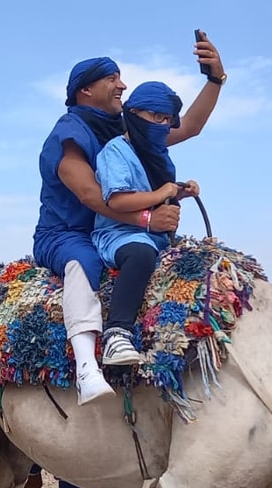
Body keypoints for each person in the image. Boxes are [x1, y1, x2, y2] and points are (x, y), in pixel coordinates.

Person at [33, 32, 225, 404]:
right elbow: (92, 195)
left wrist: (215, 79)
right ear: (85, 91)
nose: (122, 84)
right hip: (68, 231)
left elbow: (188, 127)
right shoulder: (68, 136)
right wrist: (148, 219)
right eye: (112, 78)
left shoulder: (125, 133)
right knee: (82, 261)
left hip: (117, 224)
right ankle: (88, 366)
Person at [93, 81, 199, 364]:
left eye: (167, 119)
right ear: (135, 114)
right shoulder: (115, 151)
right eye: (156, 117)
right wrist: (162, 193)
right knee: (140, 254)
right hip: (120, 233)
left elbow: (157, 197)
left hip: (157, 238)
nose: (163, 125)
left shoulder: (156, 154)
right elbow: (116, 200)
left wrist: (180, 193)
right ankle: (117, 334)